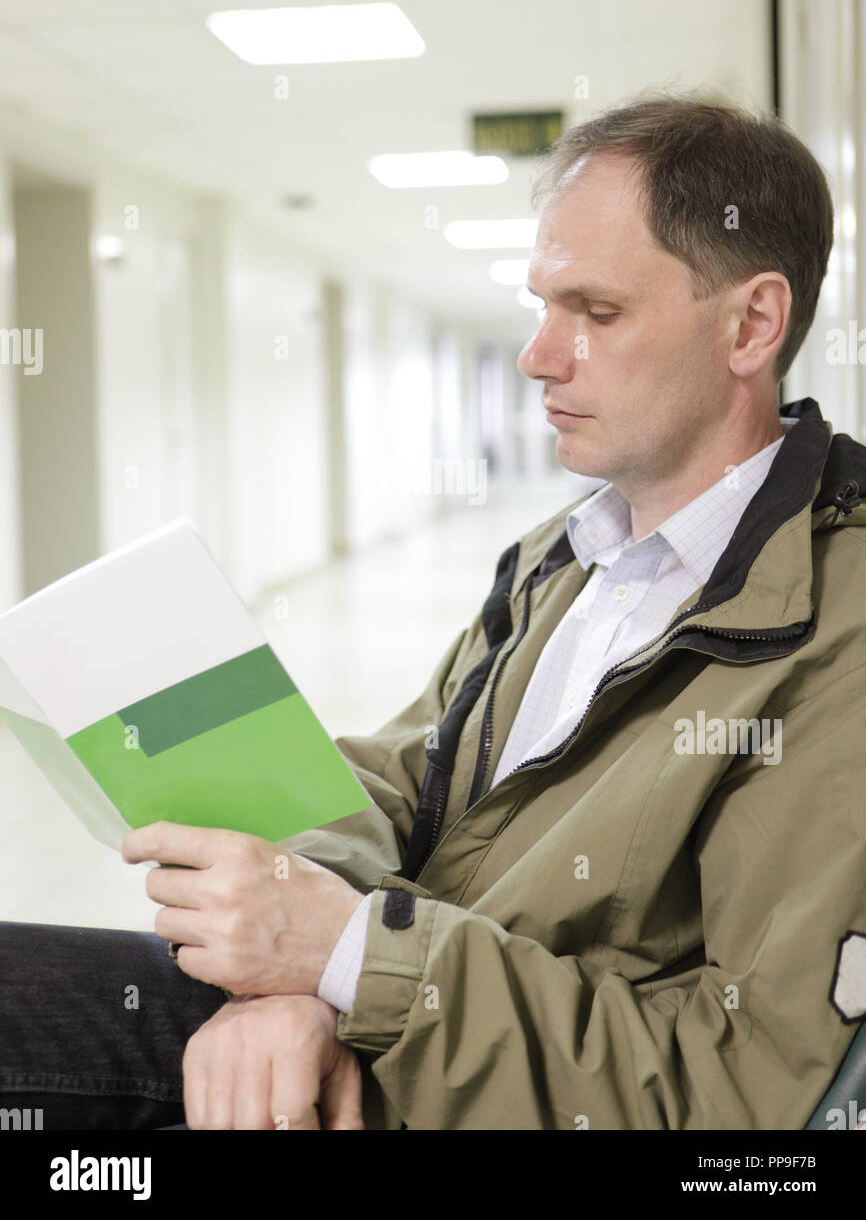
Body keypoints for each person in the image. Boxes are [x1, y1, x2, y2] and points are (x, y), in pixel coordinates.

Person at [2, 93, 864, 1130]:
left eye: (594, 314)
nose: (537, 357)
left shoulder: (833, 631)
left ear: (750, 323)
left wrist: (349, 960)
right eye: (541, 306)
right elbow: (415, 783)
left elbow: (729, 1100)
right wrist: (293, 975)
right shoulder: (571, 554)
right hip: (399, 1019)